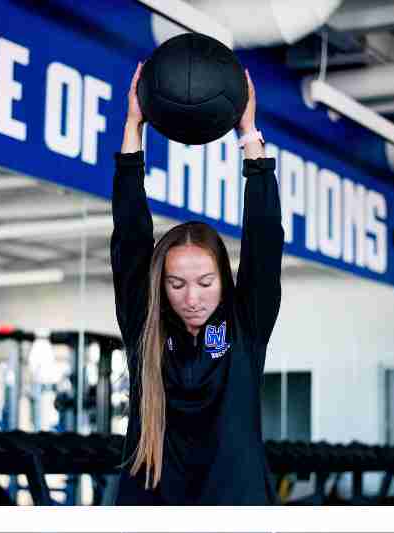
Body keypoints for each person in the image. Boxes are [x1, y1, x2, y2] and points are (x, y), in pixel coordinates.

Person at [110, 62, 284, 505]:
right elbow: (129, 235)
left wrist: (249, 135)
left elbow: (264, 242)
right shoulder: (143, 327)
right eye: (177, 284)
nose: (192, 298)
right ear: (160, 286)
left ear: (225, 281)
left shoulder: (246, 327)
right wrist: (133, 125)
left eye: (205, 282)